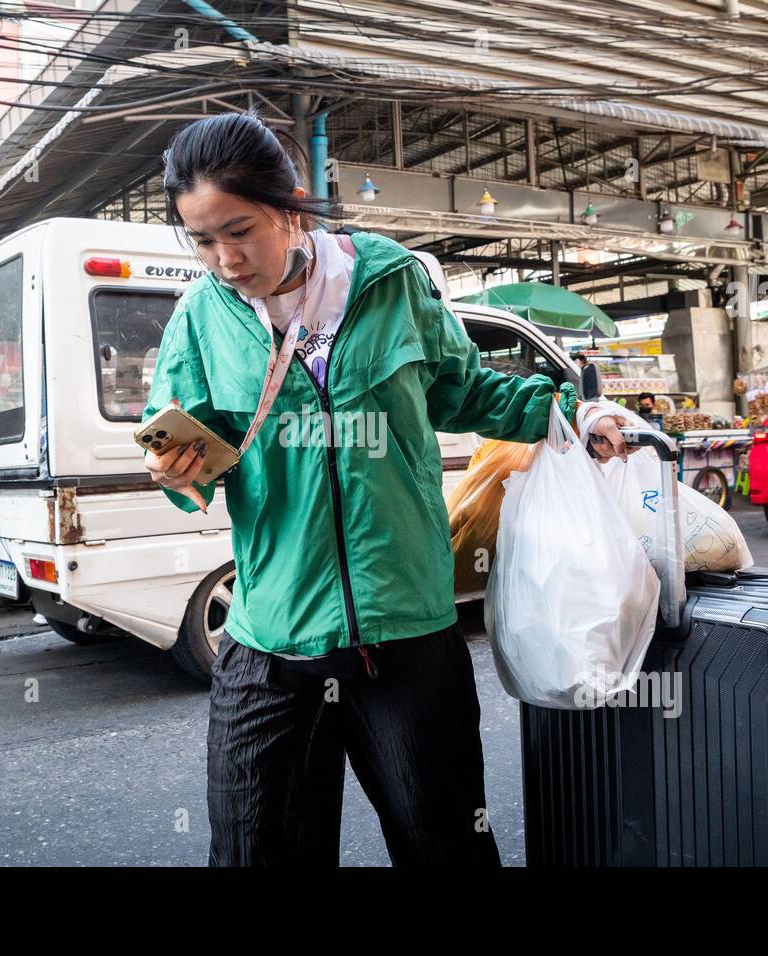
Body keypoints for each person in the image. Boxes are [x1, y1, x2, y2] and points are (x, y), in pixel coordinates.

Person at [141, 110, 630, 867]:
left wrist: (571, 411)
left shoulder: (390, 281)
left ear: (290, 203)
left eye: (239, 230)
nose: (224, 259)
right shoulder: (200, 319)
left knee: (444, 846)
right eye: (201, 240)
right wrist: (176, 470)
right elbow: (184, 441)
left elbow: (465, 392)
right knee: (255, 853)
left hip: (405, 634)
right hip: (274, 638)